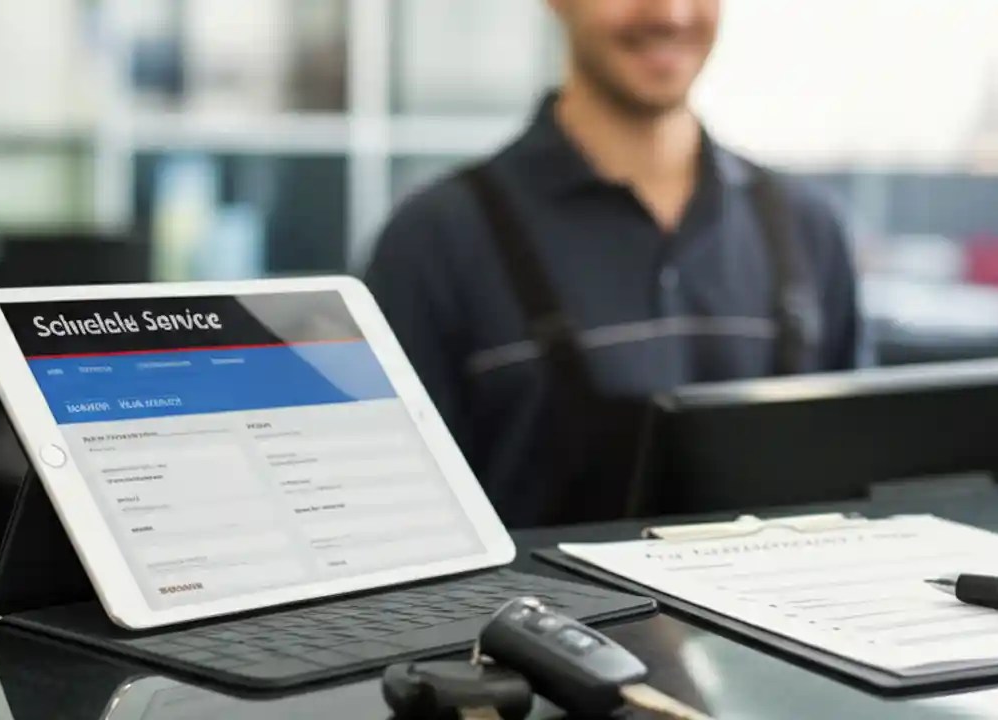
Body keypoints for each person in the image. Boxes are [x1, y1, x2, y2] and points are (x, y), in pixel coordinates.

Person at [366, 0, 868, 528]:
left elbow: (861, 489)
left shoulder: (809, 228)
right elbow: (396, 528)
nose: (671, 14)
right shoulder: (435, 239)